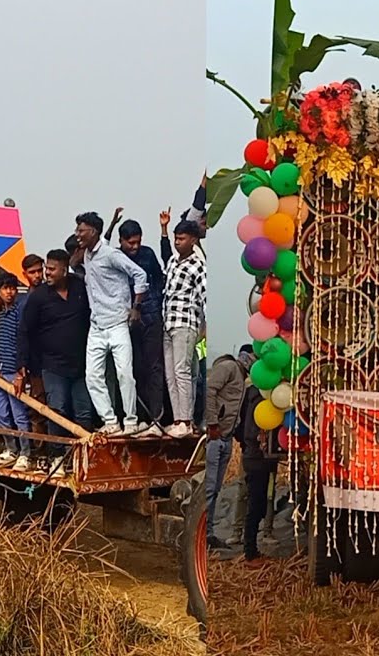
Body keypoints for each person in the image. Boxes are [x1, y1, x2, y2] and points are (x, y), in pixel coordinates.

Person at [72, 211, 149, 437]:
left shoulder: (110, 254)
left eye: (81, 230)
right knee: (92, 376)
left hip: (117, 323)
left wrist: (136, 307)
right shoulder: (87, 253)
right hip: (96, 326)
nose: (77, 234)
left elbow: (139, 274)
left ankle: (131, 421)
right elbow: (77, 258)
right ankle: (110, 421)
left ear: (93, 232)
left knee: (125, 373)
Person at [19, 249, 97, 472]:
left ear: (64, 269)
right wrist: (22, 366)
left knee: (83, 411)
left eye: (52, 269)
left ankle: (83, 458)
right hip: (52, 367)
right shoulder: (39, 297)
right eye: (46, 269)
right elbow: (25, 331)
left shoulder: (81, 287)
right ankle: (57, 458)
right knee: (58, 409)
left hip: (82, 365)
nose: (47, 273)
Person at [204, 345, 256, 548]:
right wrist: (212, 423)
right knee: (209, 488)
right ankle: (202, 535)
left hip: (225, 439)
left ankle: (209, 534)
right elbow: (210, 391)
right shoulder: (228, 368)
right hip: (215, 437)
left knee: (215, 489)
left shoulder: (242, 379)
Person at [117, 219, 167, 426]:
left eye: (138, 242)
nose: (135, 247)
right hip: (126, 323)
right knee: (135, 369)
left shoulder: (148, 254)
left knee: (155, 368)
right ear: (121, 241)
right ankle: (140, 418)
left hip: (151, 317)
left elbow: (159, 279)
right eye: (130, 243)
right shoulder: (115, 258)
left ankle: (158, 418)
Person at [162, 220, 207, 438]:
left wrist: (203, 326)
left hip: (185, 322)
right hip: (168, 322)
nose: (177, 242)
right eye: (175, 238)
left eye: (181, 239)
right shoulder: (172, 261)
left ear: (193, 240)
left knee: (182, 372)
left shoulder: (197, 266)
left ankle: (187, 421)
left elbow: (204, 297)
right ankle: (178, 419)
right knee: (170, 374)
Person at [0, 274, 34, 471]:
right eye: (5, 288)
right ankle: (11, 449)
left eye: (12, 288)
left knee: (19, 415)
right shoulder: (0, 316)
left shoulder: (19, 313)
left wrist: (20, 374)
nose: (9, 292)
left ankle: (26, 454)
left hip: (14, 372)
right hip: (0, 373)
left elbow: (23, 344)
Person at [237, 381, 278, 564]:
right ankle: (250, 552)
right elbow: (250, 433)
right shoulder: (258, 406)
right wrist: (258, 443)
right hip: (256, 459)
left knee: (259, 505)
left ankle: (252, 549)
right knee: (255, 506)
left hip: (259, 458)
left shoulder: (251, 399)